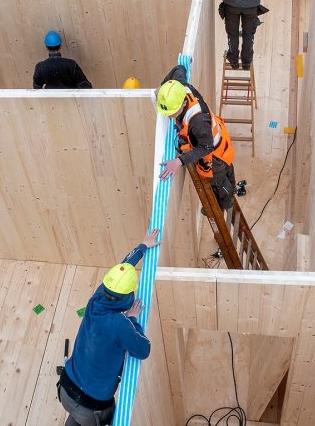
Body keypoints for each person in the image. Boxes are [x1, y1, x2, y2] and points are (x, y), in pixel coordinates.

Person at [57, 229, 161, 426]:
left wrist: (142, 246)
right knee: (92, 418)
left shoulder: (97, 298)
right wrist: (132, 320)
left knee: (77, 418)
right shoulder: (120, 325)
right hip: (92, 408)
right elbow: (143, 350)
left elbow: (122, 267)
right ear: (127, 297)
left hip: (65, 389)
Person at [156, 65, 235, 214]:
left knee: (217, 183)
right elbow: (179, 69)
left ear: (184, 103)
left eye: (173, 113)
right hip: (213, 137)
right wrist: (162, 90)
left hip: (216, 156)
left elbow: (206, 147)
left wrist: (179, 161)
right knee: (222, 178)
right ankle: (224, 193)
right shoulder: (180, 87)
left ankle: (224, 202)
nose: (169, 117)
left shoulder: (197, 121)